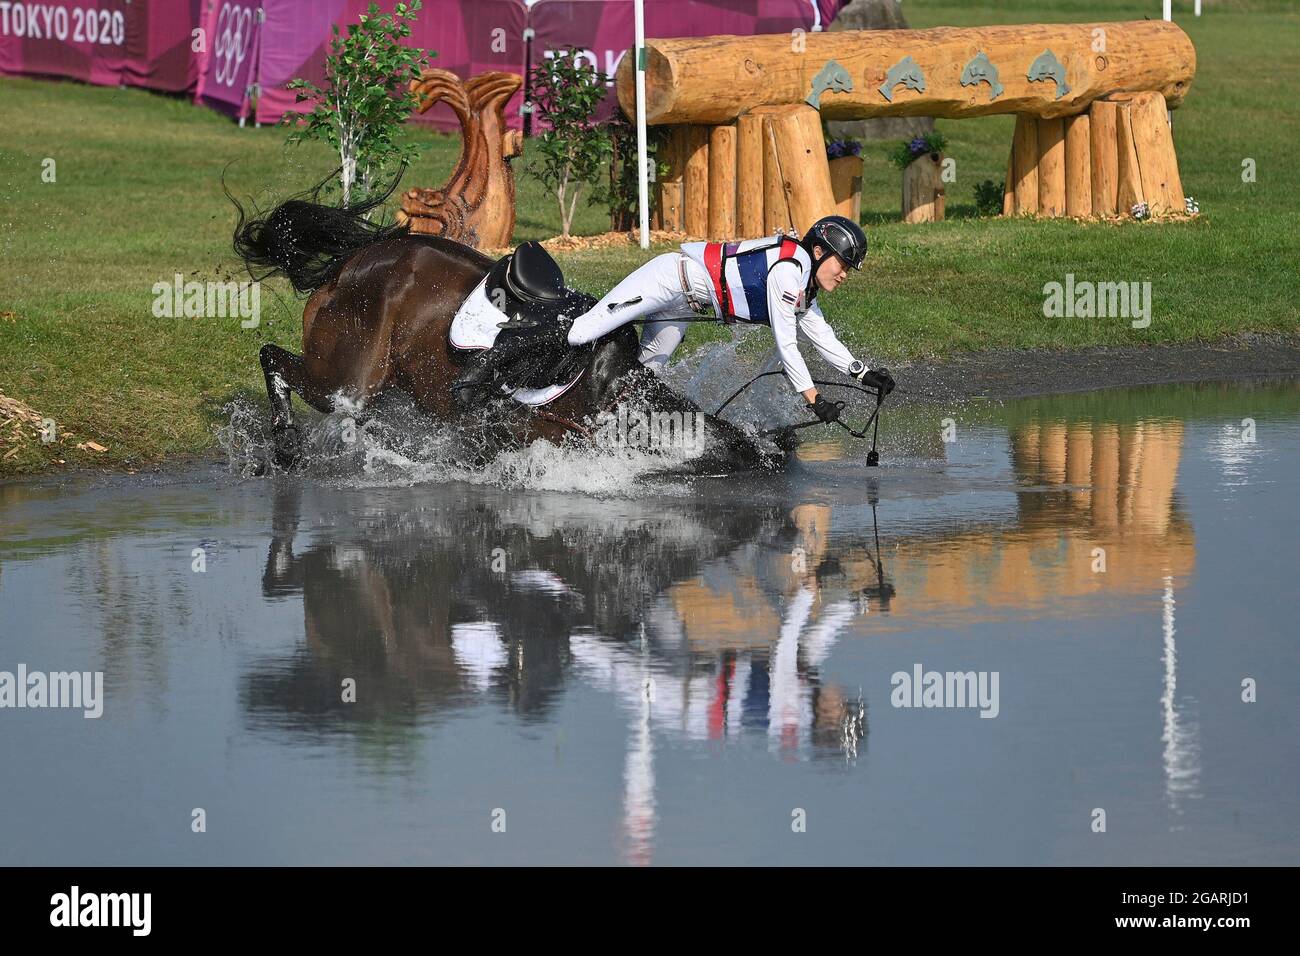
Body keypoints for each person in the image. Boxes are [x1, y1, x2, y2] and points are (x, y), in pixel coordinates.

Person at [456, 215, 895, 420]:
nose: (845, 274)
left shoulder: (804, 282)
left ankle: (595, 428)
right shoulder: (788, 271)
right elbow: (787, 344)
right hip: (668, 281)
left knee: (643, 376)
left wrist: (862, 373)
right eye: (843, 264)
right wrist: (813, 399)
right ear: (819, 251)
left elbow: (819, 332)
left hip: (685, 306)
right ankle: (493, 351)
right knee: (582, 332)